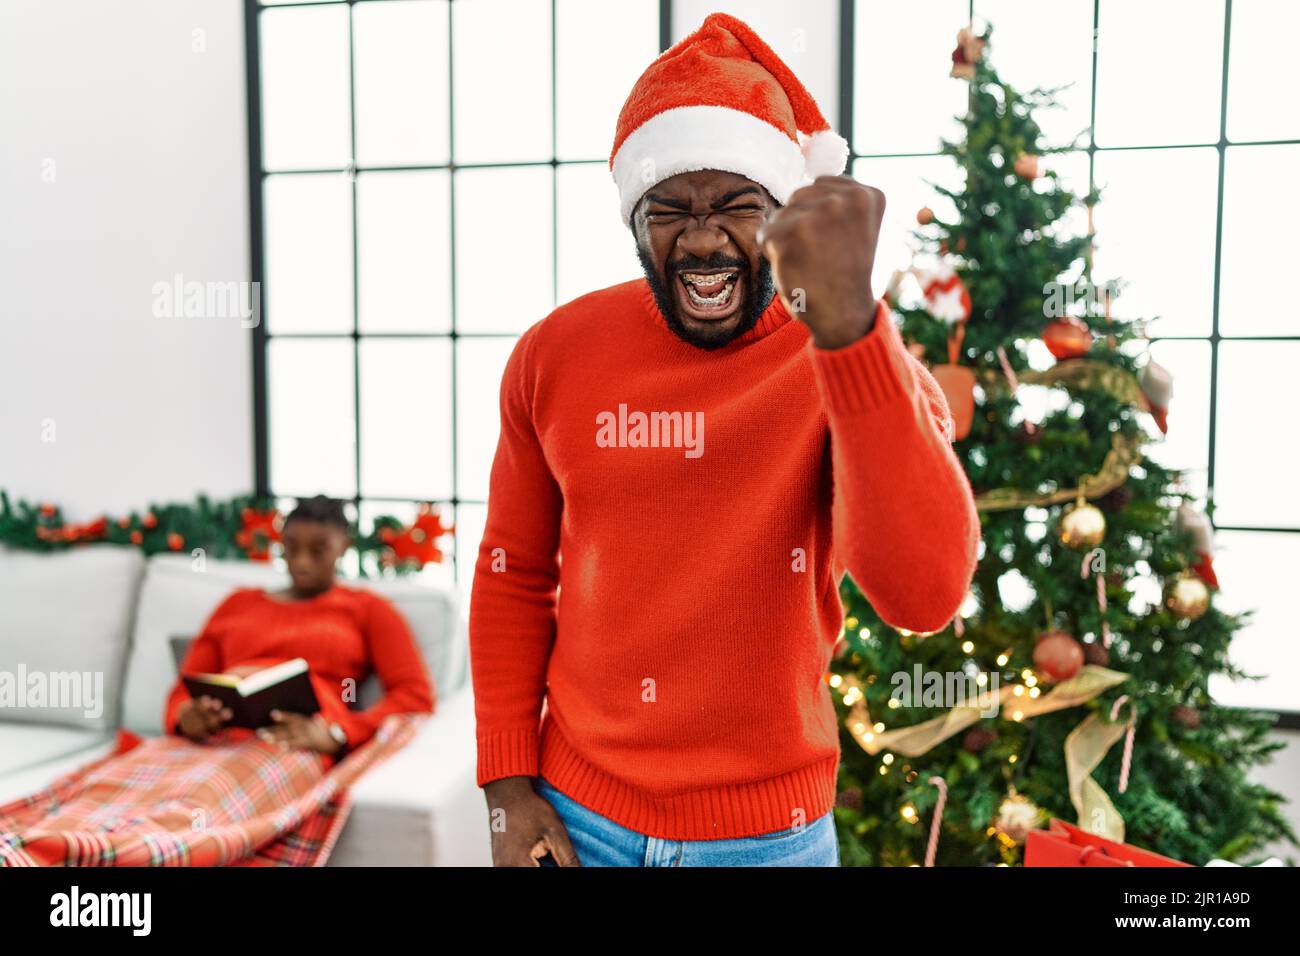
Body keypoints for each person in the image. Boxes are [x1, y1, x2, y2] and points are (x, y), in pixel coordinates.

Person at [470, 13, 982, 867]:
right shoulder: (553, 354)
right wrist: (505, 792)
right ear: (634, 221)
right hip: (573, 817)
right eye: (669, 209)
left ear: (785, 214)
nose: (703, 239)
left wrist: (851, 330)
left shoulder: (852, 351)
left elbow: (923, 595)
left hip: (768, 842)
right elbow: (514, 574)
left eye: (738, 207)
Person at [168, 494, 436, 762]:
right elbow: (183, 690)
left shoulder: (368, 609)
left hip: (294, 746)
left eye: (318, 550)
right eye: (291, 547)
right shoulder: (236, 604)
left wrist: (338, 733)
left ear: (344, 545)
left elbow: (414, 696)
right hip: (212, 741)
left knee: (204, 799)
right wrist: (186, 717)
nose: (302, 562)